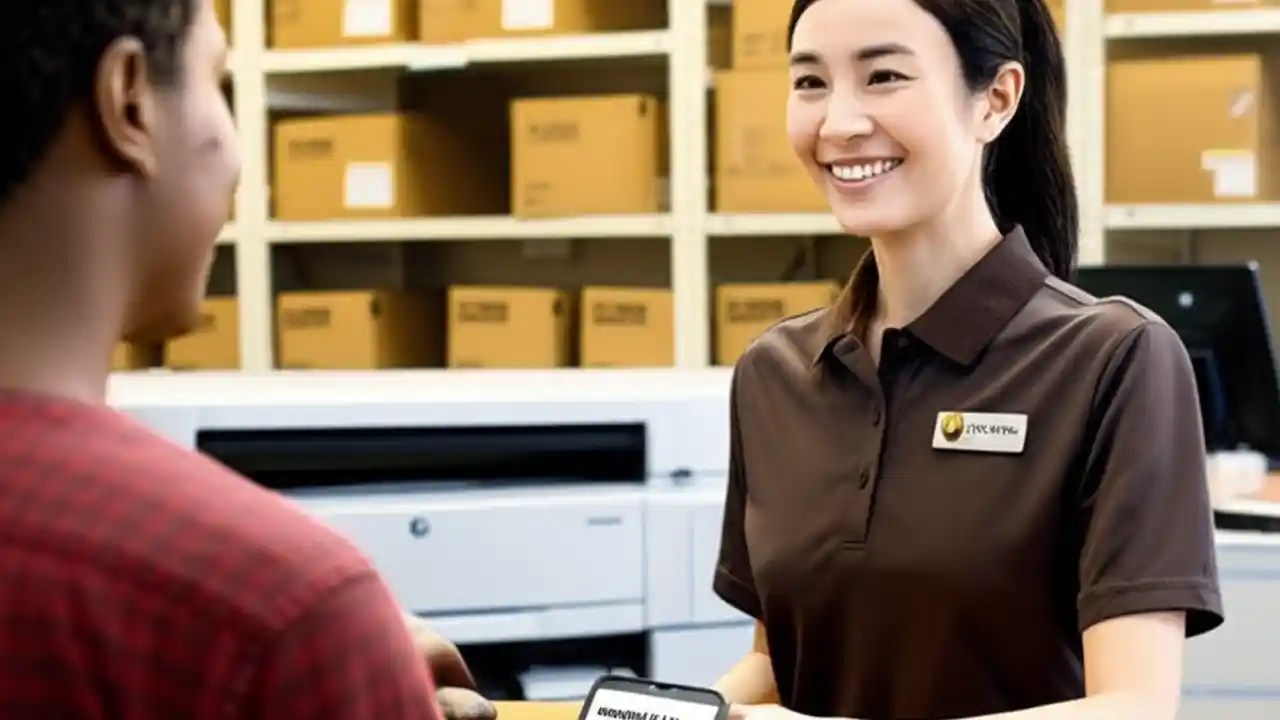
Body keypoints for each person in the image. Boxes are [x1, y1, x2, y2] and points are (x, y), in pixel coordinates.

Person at [710, 1, 1223, 719]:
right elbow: (778, 658)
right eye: (810, 83)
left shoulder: (1115, 360)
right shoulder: (776, 371)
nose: (839, 123)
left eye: (883, 75)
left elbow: (1133, 706)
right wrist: (687, 708)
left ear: (997, 100)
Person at [0, 1, 486, 717]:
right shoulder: (279, 608)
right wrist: (334, 672)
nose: (235, 153)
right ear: (127, 100)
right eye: (218, 83)